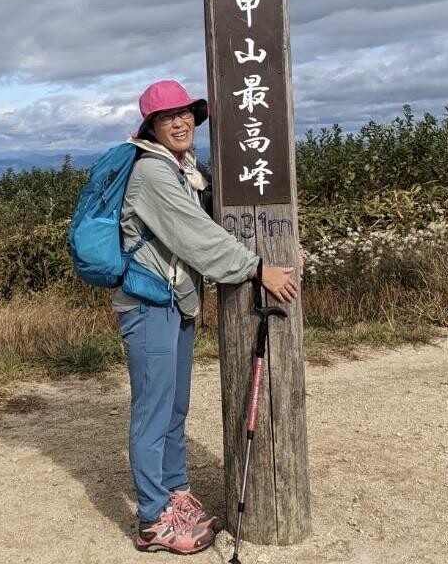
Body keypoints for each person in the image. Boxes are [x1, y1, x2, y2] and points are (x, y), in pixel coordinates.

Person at [113, 79, 298, 555]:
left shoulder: (183, 169)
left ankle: (176, 496)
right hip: (150, 306)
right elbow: (196, 236)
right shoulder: (153, 174)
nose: (181, 122)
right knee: (153, 411)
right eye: (168, 116)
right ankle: (154, 520)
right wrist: (256, 268)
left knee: (174, 408)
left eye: (187, 113)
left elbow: (210, 224)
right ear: (151, 126)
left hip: (176, 302)